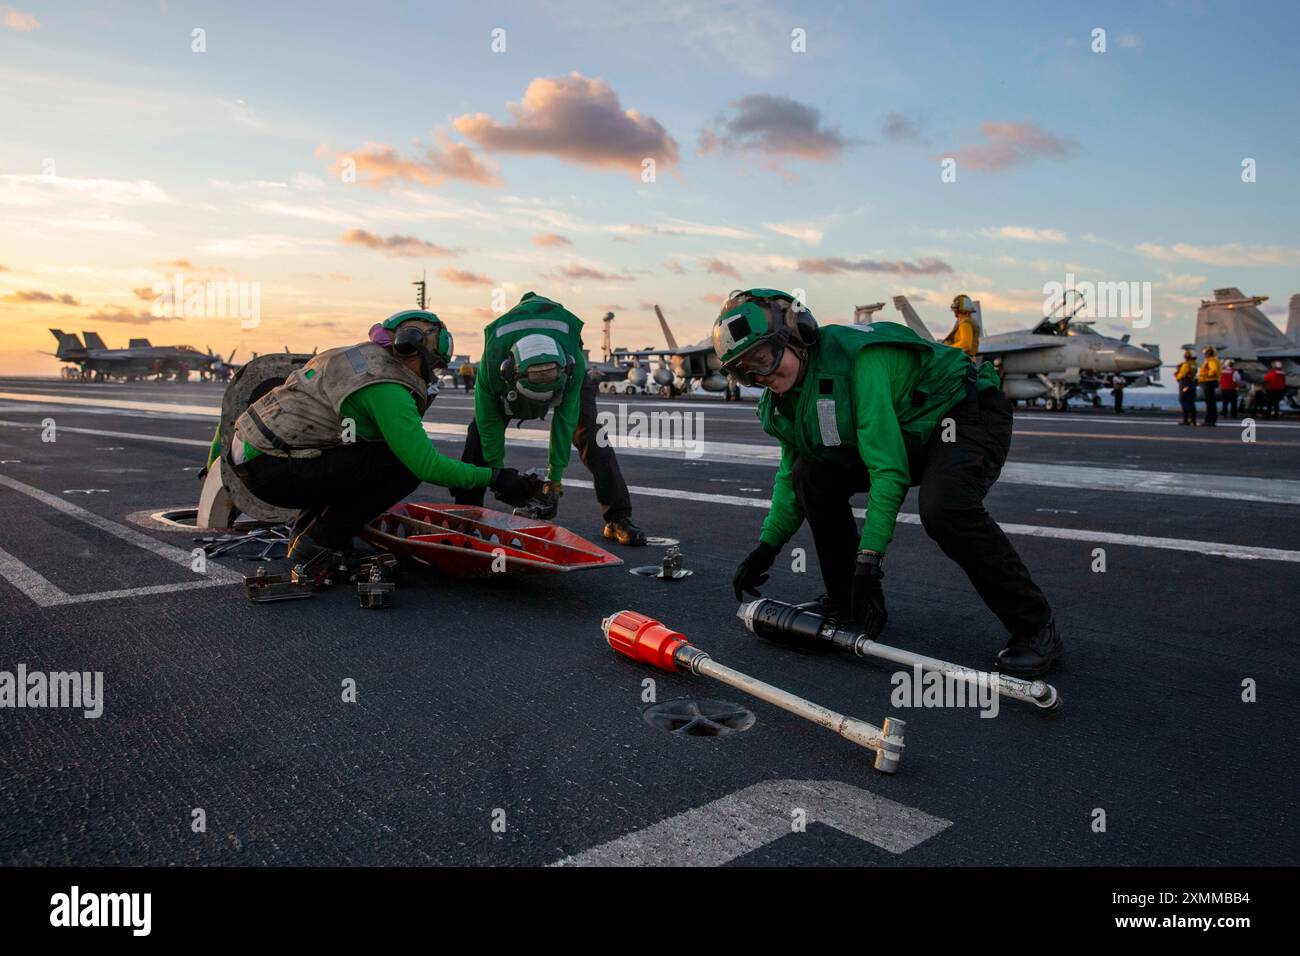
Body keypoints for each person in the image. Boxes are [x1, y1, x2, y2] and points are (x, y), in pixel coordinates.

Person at [719, 287, 1060, 678]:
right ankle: (852, 606)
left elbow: (888, 470)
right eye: (745, 370)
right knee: (810, 476)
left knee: (945, 508)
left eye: (762, 358)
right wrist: (766, 548)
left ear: (799, 332)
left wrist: (870, 559)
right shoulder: (781, 401)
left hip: (960, 412)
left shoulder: (858, 363)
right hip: (906, 428)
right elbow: (789, 476)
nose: (760, 376)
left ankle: (1035, 626)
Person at [229, 309, 538, 562]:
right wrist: (495, 477)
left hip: (253, 457)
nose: (432, 374)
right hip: (272, 468)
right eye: (433, 366)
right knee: (401, 467)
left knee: (364, 453)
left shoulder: (355, 356)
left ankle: (306, 532)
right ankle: (322, 542)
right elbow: (428, 466)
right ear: (414, 351)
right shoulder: (387, 388)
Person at [450, 291, 648, 547]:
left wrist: (554, 479)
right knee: (477, 437)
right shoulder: (491, 365)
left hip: (565, 376)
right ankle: (467, 513)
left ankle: (618, 518)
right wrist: (499, 476)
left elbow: (564, 422)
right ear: (508, 375)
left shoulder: (573, 365)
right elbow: (490, 424)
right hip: (515, 378)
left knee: (592, 437)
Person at [942, 294, 981, 358]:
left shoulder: (965, 324)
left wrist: (947, 350)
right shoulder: (965, 323)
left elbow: (966, 344)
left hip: (963, 362)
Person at [1198, 346, 1220, 426]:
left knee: (1210, 403)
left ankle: (1209, 420)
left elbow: (1213, 370)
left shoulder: (1211, 360)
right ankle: (1211, 420)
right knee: (1211, 402)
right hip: (1210, 382)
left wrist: (1206, 375)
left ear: (1208, 353)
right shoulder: (1212, 360)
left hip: (1208, 382)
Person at [1176, 349, 1198, 426]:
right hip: (1192, 384)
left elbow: (1182, 375)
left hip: (1185, 384)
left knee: (1183, 400)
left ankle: (1185, 420)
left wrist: (1177, 375)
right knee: (1191, 402)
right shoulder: (1194, 364)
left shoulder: (1186, 364)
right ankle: (1193, 420)